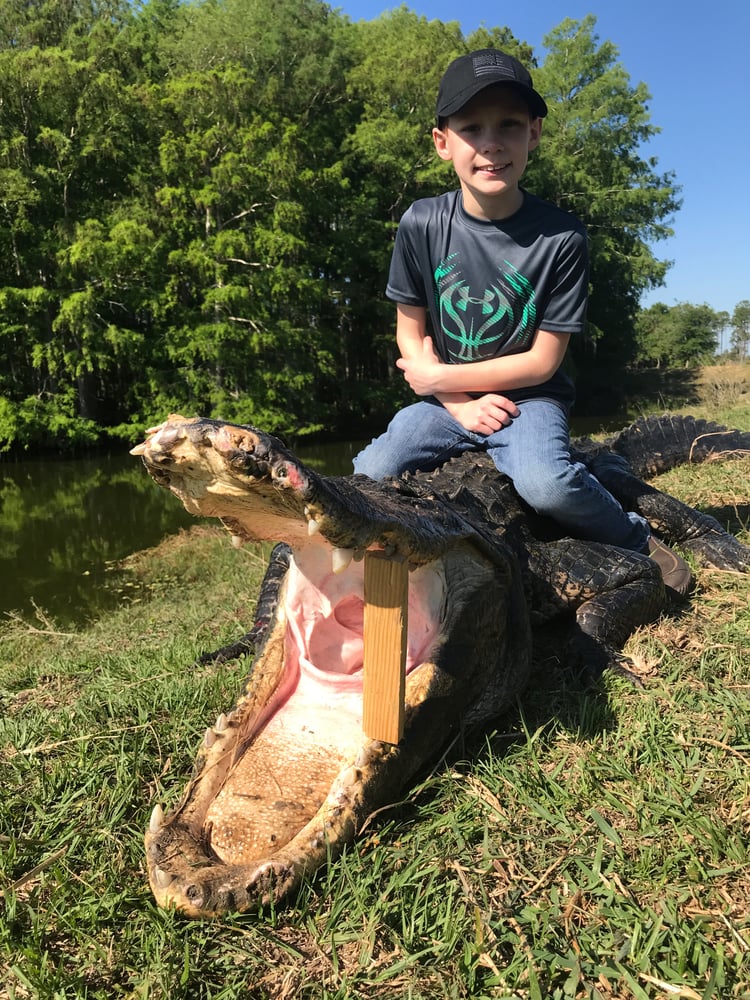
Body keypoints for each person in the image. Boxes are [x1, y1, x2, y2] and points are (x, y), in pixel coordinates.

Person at [353, 48, 691, 595]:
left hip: (530, 398)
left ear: (533, 134)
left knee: (548, 482)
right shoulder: (421, 222)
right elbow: (409, 331)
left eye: (509, 125)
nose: (491, 143)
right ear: (443, 143)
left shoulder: (561, 237)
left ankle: (634, 539)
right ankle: (371, 575)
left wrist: (441, 379)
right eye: (471, 127)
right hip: (448, 404)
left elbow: (544, 359)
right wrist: (458, 403)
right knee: (372, 466)